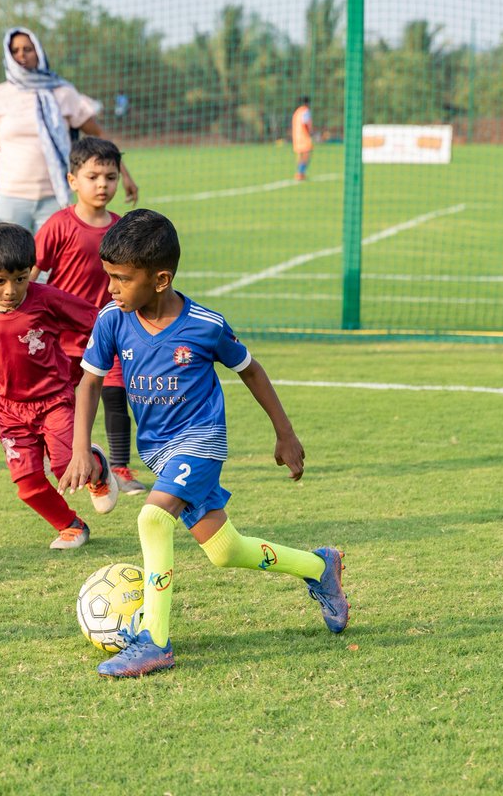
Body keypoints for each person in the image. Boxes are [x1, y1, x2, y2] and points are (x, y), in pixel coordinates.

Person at [59, 210, 349, 678]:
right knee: (224, 550)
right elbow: (88, 384)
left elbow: (250, 369)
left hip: (201, 443)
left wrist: (285, 433)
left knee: (152, 519)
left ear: (160, 279)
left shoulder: (205, 324)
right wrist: (79, 447)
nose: (110, 287)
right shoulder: (113, 320)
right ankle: (319, 567)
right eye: (108, 276)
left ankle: (153, 640)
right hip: (160, 451)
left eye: (121, 278)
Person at [0, 223, 119, 550]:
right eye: (0, 281)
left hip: (55, 400)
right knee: (27, 484)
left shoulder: (46, 299)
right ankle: (71, 526)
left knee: (65, 467)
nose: (11, 290)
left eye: (21, 278)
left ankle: (96, 467)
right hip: (10, 410)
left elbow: (97, 319)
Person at [33, 137, 145, 496]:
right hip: (61, 338)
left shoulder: (120, 228)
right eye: (93, 176)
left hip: (108, 332)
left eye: (110, 177)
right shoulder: (58, 225)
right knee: (60, 404)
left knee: (114, 395)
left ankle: (122, 468)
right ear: (72, 180)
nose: (102, 185)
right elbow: (32, 274)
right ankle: (67, 458)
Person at [0, 27, 138, 233]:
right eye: (15, 50)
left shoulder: (63, 93)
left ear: (39, 52)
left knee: (53, 266)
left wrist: (126, 175)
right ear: (8, 55)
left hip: (55, 198)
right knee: (12, 265)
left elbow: (100, 137)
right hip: (10, 199)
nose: (21, 54)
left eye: (28, 49)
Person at [292, 95, 313, 181]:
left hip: (296, 136)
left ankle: (299, 173)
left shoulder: (297, 111)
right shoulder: (305, 111)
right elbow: (305, 123)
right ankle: (300, 173)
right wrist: (309, 132)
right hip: (304, 136)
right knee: (306, 154)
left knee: (300, 154)